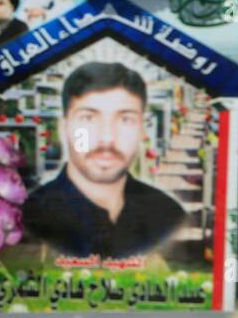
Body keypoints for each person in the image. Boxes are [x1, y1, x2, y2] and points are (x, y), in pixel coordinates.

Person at [22, 62, 185, 258]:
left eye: (125, 119)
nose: (107, 138)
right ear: (63, 128)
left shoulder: (169, 216)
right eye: (88, 118)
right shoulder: (28, 218)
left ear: (142, 130)